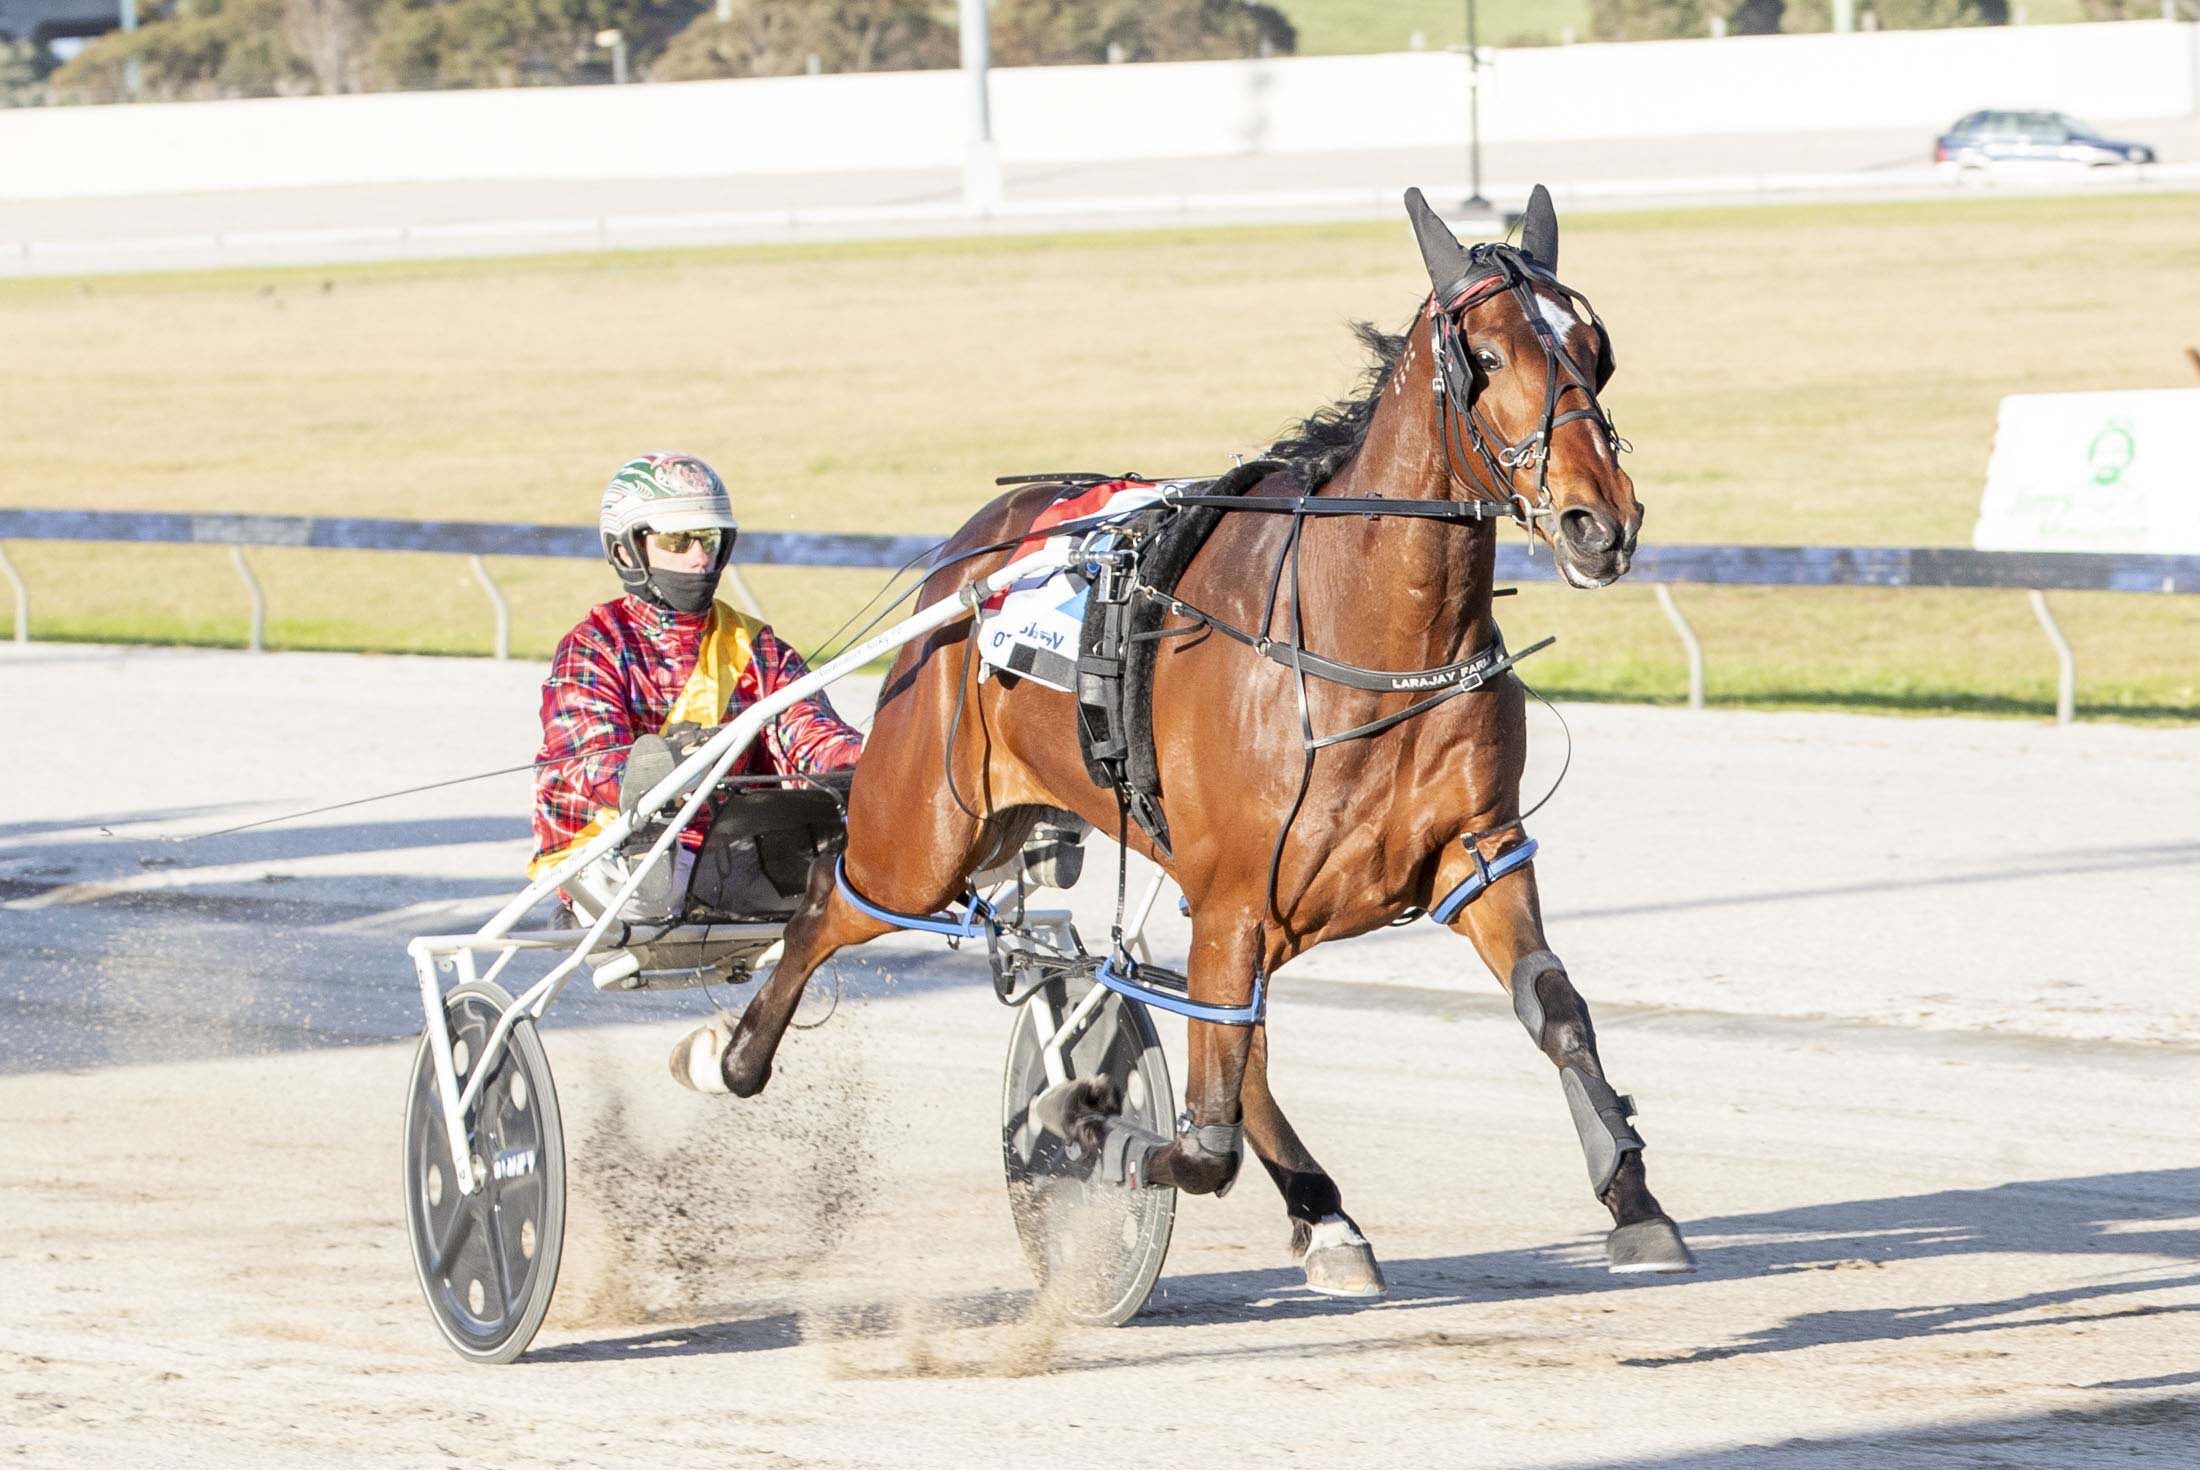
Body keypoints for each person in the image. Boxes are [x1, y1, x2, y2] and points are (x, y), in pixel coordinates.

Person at [529, 452, 863, 922]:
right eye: (678, 540)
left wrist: (869, 766)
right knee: (653, 871)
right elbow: (589, 763)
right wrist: (668, 769)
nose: (699, 557)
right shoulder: (594, 646)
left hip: (731, 851)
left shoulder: (755, 646)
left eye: (709, 540)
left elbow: (812, 734)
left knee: (850, 837)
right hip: (619, 851)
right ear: (627, 550)